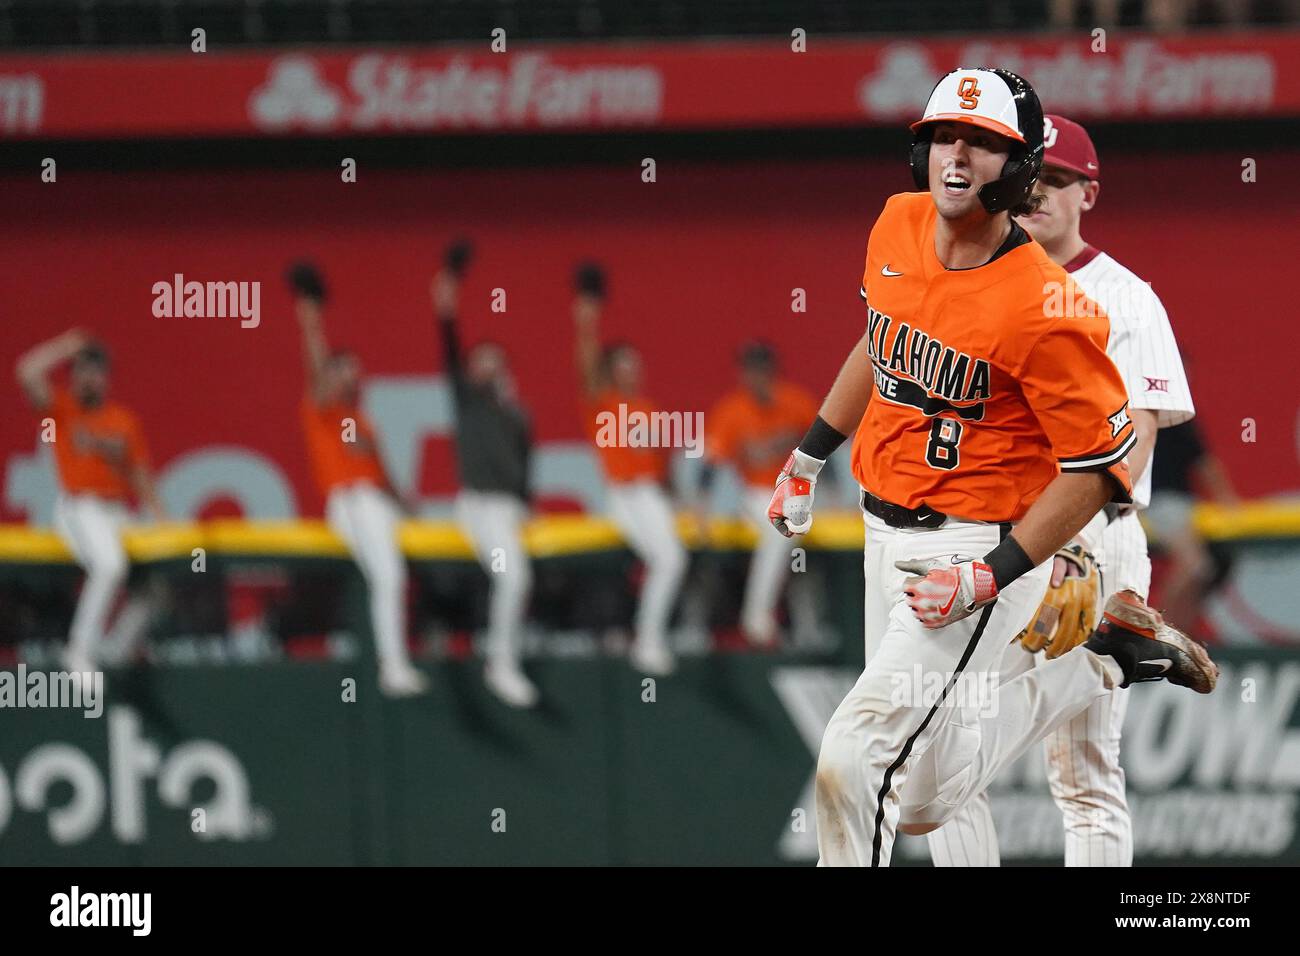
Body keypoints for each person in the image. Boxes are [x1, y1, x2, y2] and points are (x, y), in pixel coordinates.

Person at [764, 68, 1218, 866]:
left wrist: (992, 574)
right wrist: (807, 456)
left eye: (983, 141)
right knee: (925, 802)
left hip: (972, 548)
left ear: (1018, 165)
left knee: (852, 759)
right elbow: (878, 344)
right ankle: (1096, 661)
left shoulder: (1048, 303)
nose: (958, 154)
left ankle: (1093, 654)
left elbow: (1104, 465)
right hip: (882, 531)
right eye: (945, 134)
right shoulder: (896, 225)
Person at [925, 113, 1197, 867]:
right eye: (1030, 174)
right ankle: (1109, 657)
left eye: (1059, 179)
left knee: (1083, 773)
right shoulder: (972, 279)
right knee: (946, 750)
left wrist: (1074, 536)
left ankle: (1110, 651)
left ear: (1090, 193)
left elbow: (1133, 437)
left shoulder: (1126, 296)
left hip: (1090, 536)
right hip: (988, 535)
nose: (1040, 190)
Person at [288, 262, 428, 698]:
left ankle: (407, 652)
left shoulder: (363, 423)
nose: (353, 374)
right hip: (350, 502)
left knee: (403, 572)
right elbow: (315, 365)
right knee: (387, 575)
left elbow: (384, 475)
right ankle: (392, 665)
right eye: (344, 368)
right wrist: (311, 316)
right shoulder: (322, 410)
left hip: (378, 503)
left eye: (356, 368)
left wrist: (407, 506)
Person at [15, 328, 165, 674]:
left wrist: (160, 518)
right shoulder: (61, 410)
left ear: (106, 378)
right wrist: (67, 346)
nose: (88, 378)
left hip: (117, 512)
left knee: (156, 588)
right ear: (72, 377)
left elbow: (140, 475)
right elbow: (26, 370)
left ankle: (113, 652)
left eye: (95, 371)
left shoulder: (123, 420)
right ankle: (79, 650)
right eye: (81, 371)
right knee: (109, 565)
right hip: (78, 507)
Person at [432, 240, 539, 708]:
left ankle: (507, 654)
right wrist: (451, 281)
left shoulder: (517, 414)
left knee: (526, 577)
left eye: (496, 361)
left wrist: (527, 503)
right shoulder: (468, 398)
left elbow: (525, 467)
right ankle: (501, 664)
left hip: (513, 508)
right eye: (481, 361)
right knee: (513, 578)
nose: (487, 367)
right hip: (479, 503)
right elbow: (446, 330)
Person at [573, 262, 687, 677]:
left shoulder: (650, 409)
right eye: (623, 362)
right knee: (667, 559)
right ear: (612, 368)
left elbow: (664, 464)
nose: (632, 368)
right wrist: (586, 313)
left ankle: (648, 639)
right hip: (623, 494)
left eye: (635, 362)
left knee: (671, 560)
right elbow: (586, 362)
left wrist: (681, 501)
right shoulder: (601, 401)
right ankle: (646, 640)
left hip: (653, 495)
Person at [702, 342, 818, 645]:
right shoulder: (731, 410)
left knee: (797, 549)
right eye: (749, 372)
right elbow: (710, 466)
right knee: (783, 531)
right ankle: (758, 616)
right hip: (754, 494)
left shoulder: (796, 402)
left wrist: (833, 497)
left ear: (772, 372)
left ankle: (805, 624)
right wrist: (701, 507)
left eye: (760, 371)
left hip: (799, 491)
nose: (754, 378)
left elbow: (821, 453)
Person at [1148, 418, 1240, 629]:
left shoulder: (1176, 417)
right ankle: (1153, 633)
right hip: (1159, 502)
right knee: (1195, 566)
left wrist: (1228, 502)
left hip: (1179, 502)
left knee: (1203, 570)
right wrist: (1227, 499)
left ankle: (1177, 639)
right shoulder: (1144, 413)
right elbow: (1206, 464)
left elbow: (1202, 461)